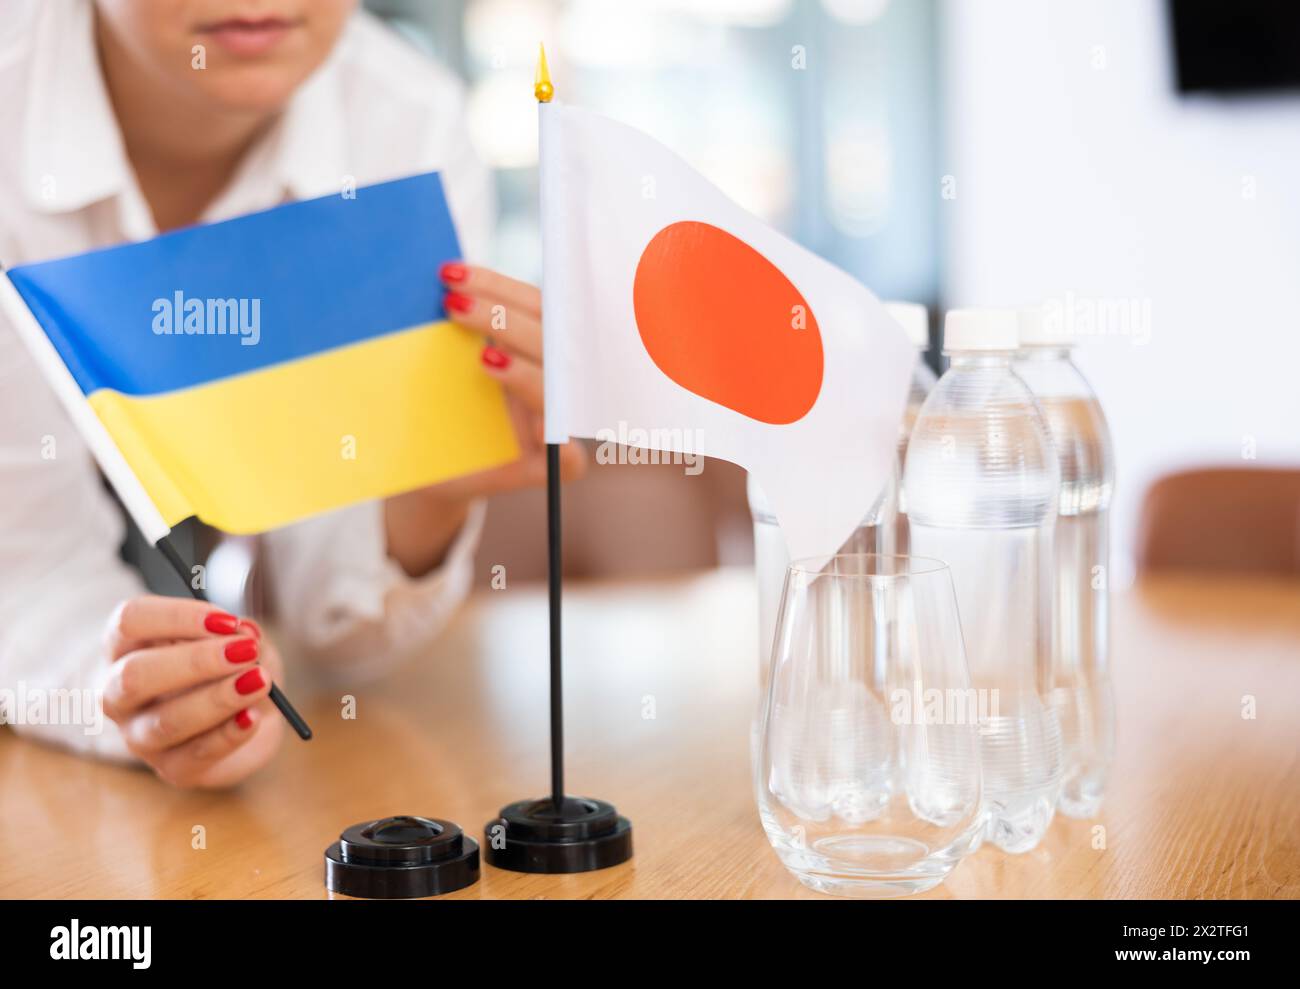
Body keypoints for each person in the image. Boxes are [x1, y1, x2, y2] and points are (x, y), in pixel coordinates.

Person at [0, 0, 583, 787]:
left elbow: (336, 636)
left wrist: (427, 491)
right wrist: (116, 692)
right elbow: (23, 567)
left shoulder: (403, 125)